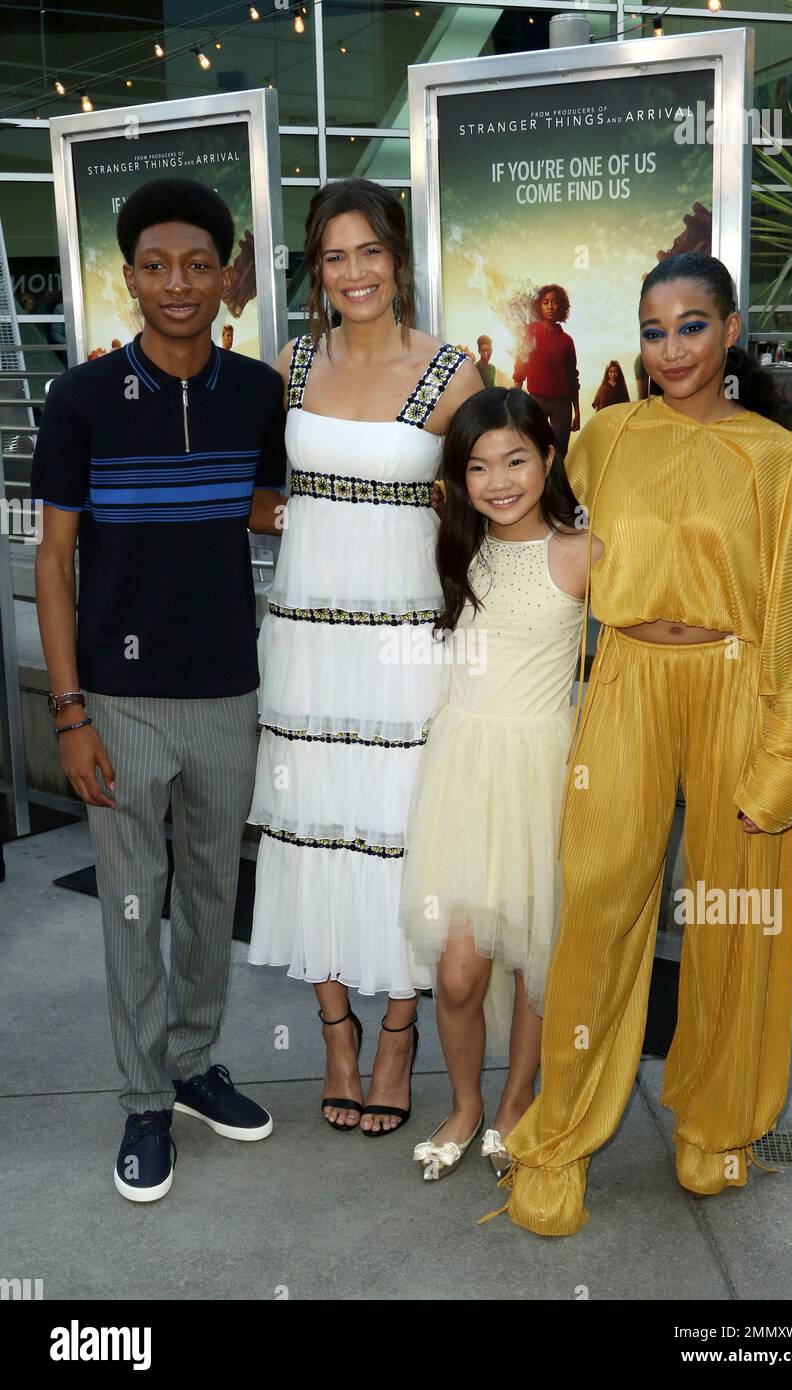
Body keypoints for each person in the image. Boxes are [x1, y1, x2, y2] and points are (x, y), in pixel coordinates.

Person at [495, 251, 792, 1236]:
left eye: (692, 325)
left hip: (737, 684)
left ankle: (714, 1124)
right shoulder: (602, 438)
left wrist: (783, 752)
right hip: (627, 681)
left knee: (738, 916)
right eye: (653, 328)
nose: (672, 347)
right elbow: (542, 549)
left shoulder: (773, 456)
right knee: (596, 902)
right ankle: (558, 1134)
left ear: (728, 331)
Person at [31, 177, 287, 1203]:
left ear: (227, 277)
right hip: (118, 698)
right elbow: (54, 563)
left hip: (227, 687)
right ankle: (144, 1097)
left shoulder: (259, 391)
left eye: (197, 265)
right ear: (128, 275)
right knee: (134, 905)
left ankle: (189, 1063)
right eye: (154, 265)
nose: (176, 284)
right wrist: (69, 710)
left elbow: (268, 512)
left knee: (213, 893)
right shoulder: (81, 399)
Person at [246, 177, 483, 1135]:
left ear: (399, 258)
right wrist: (304, 515)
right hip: (305, 640)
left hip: (404, 649)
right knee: (313, 830)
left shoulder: (451, 370)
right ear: (318, 269)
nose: (355, 273)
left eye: (370, 252)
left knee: (400, 836)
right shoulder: (290, 365)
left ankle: (397, 1036)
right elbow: (257, 493)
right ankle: (336, 1034)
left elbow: (493, 496)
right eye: (335, 256)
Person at [398, 387, 598, 1182]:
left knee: (536, 957)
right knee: (458, 969)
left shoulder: (585, 551)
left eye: (516, 459)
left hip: (544, 769)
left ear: (549, 459)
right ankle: (465, 1101)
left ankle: (516, 1101)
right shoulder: (457, 547)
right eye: (478, 466)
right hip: (461, 773)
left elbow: (640, 646)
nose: (499, 480)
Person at [513, 284, 580, 455]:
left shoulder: (567, 341)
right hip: (537, 401)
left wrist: (577, 411)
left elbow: (573, 377)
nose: (550, 306)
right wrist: (513, 402)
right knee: (535, 450)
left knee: (559, 453)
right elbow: (520, 367)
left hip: (562, 405)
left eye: (555, 302)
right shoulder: (529, 333)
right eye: (545, 302)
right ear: (539, 305)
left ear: (561, 306)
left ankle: (555, 483)